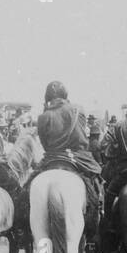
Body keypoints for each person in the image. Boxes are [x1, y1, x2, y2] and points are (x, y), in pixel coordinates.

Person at [34, 81, 103, 244]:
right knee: (97, 187)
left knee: (27, 192)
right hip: (77, 158)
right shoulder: (78, 109)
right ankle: (94, 227)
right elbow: (81, 138)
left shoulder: (43, 116)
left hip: (52, 159)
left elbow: (44, 143)